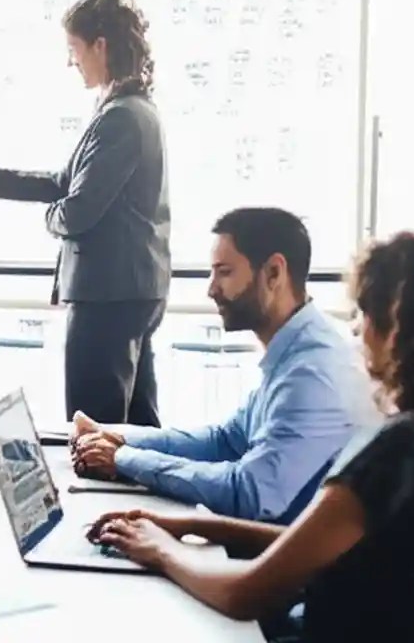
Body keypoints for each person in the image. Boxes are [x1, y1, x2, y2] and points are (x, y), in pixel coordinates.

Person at [91, 230, 414, 642]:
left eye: (366, 312)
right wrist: (199, 525)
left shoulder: (407, 446)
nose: (356, 328)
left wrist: (162, 550)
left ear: (404, 328)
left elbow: (245, 594)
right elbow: (328, 546)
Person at [0, 0, 170, 426]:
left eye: (74, 49)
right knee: (135, 428)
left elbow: (78, 208)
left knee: (93, 427)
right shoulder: (129, 109)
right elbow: (65, 182)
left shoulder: (121, 117)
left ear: (100, 45)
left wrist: (49, 218)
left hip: (108, 293)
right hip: (130, 289)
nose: (72, 62)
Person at [71, 208, 368, 524]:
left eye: (224, 273)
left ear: (274, 273)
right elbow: (225, 441)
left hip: (280, 552)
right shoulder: (296, 349)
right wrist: (118, 438)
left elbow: (250, 494)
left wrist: (123, 459)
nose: (211, 289)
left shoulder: (311, 373)